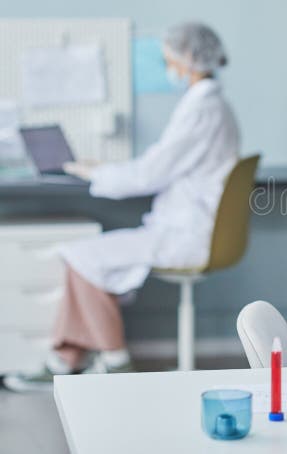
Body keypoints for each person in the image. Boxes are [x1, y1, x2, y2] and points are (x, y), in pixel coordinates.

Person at [4, 22, 241, 392]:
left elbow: (151, 173)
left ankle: (116, 362)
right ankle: (67, 359)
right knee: (83, 256)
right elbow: (162, 162)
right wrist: (106, 170)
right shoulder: (208, 105)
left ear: (191, 59)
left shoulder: (203, 109)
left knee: (81, 255)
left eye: (170, 60)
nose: (169, 69)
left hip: (186, 233)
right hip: (183, 224)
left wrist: (97, 174)